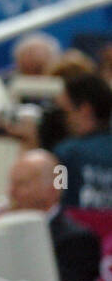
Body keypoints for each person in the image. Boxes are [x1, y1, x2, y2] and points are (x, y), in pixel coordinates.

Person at [0, 150, 102, 281]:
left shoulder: (78, 240)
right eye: (11, 183)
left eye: (21, 184)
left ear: (52, 189)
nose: (11, 192)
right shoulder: (0, 230)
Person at [53, 72, 112, 209]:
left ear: (85, 110)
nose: (64, 120)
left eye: (65, 112)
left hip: (75, 228)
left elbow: (54, 197)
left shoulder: (65, 154)